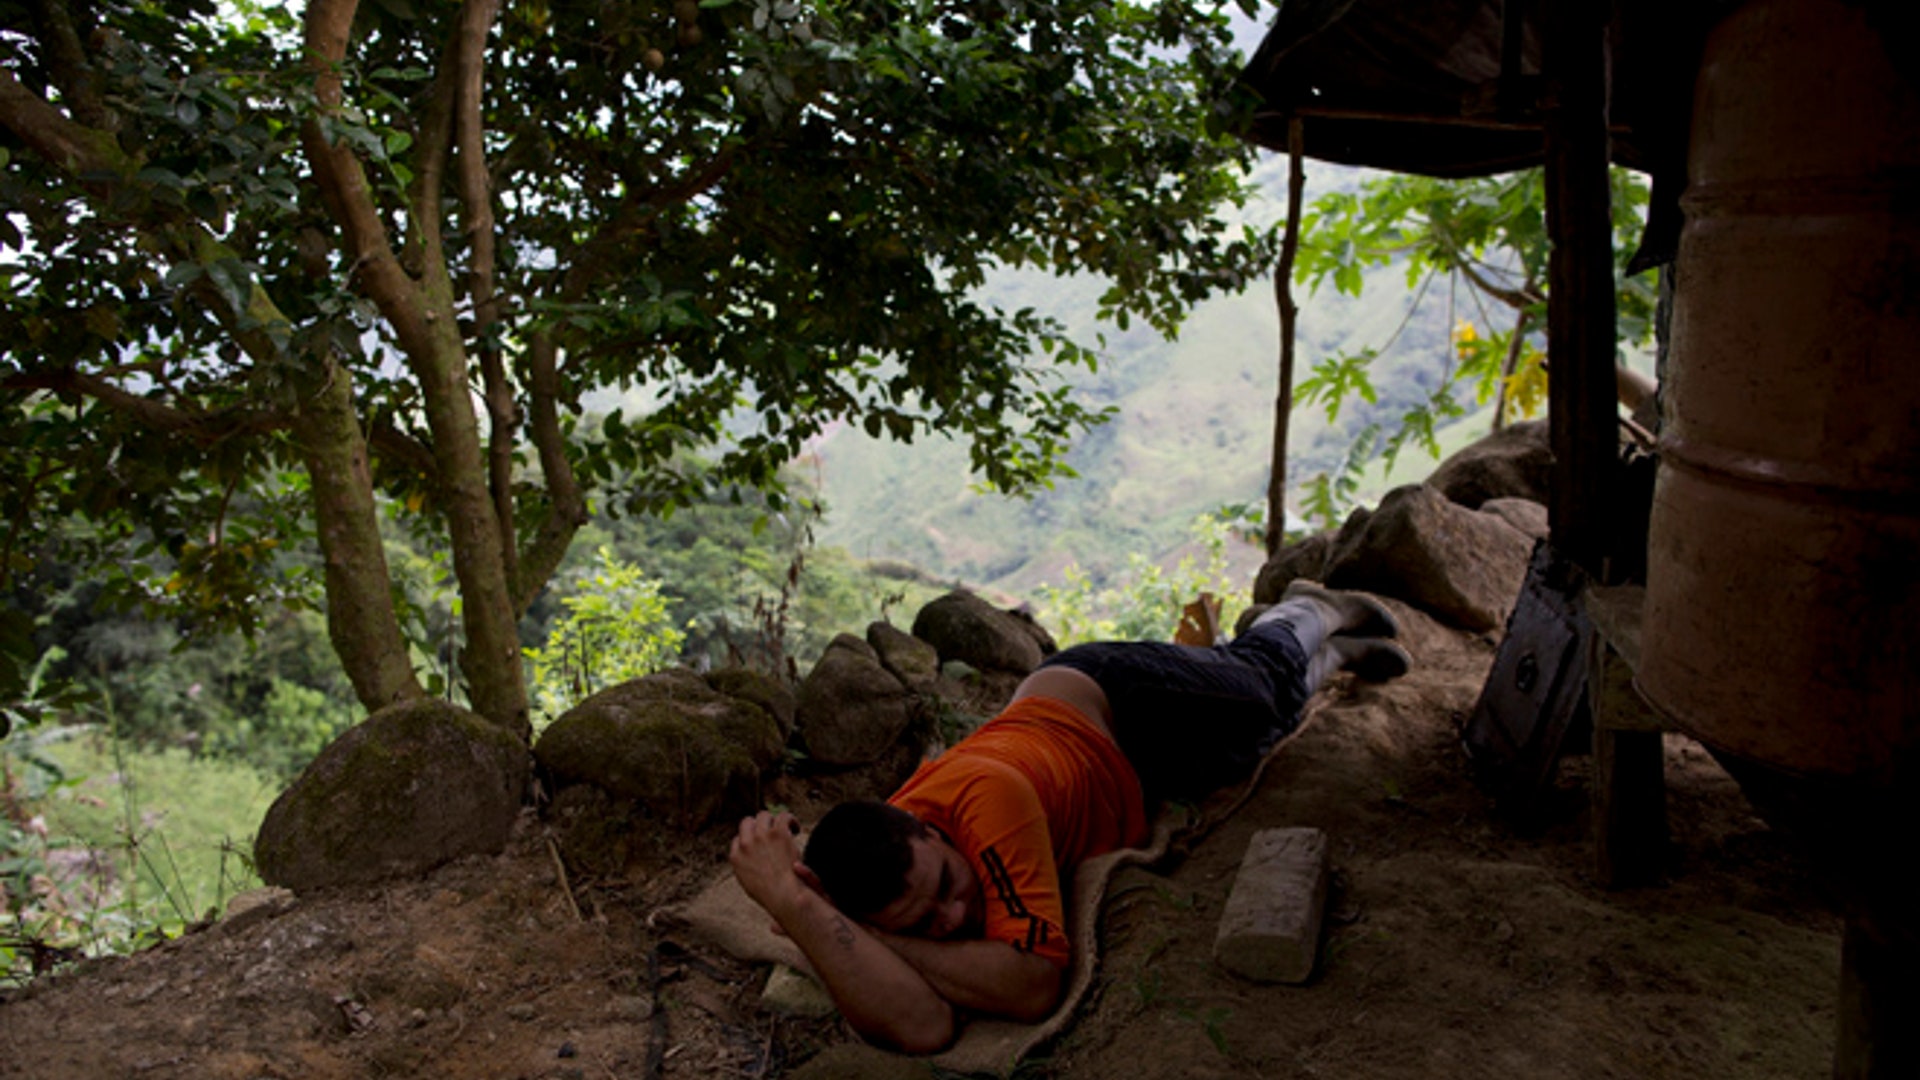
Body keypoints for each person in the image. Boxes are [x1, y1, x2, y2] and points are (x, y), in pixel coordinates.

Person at [728, 581, 1409, 1052]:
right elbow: (925, 1029)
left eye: (945, 885)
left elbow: (1030, 987)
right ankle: (1338, 657)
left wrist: (877, 940)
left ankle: (1305, 612)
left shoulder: (989, 802)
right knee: (1262, 736)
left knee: (1259, 687)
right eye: (919, 923)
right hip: (1126, 772)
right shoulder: (895, 883)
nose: (954, 917)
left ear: (931, 832)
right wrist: (804, 910)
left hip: (1102, 693)